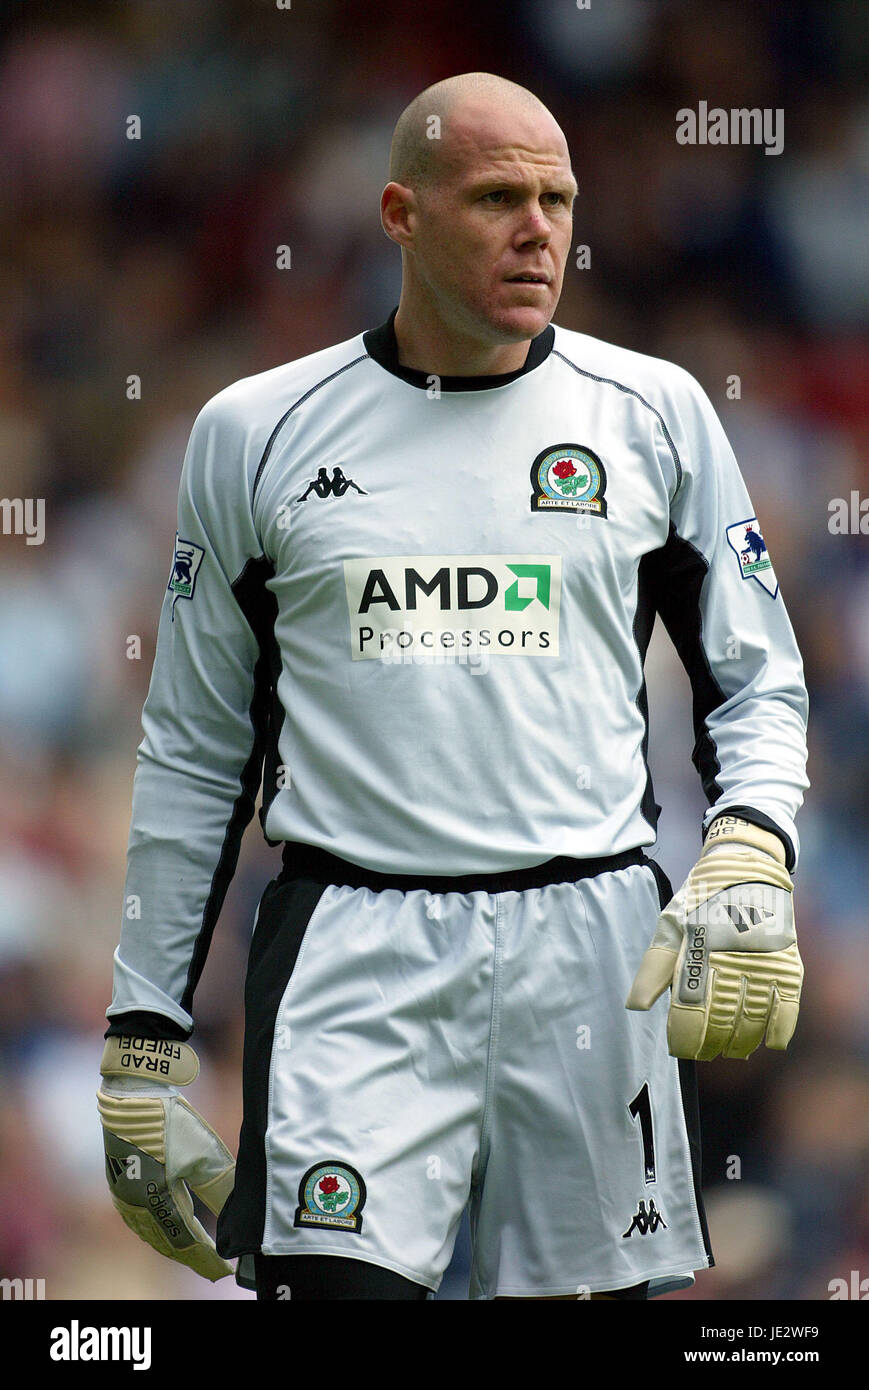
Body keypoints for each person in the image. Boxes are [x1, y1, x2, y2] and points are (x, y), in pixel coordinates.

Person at [96, 72, 808, 1301]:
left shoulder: (656, 416)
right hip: (351, 952)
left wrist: (750, 843)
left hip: (593, 948)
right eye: (495, 197)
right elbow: (193, 749)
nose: (539, 230)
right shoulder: (254, 432)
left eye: (557, 198)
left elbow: (758, 680)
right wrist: (143, 1040)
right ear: (399, 214)